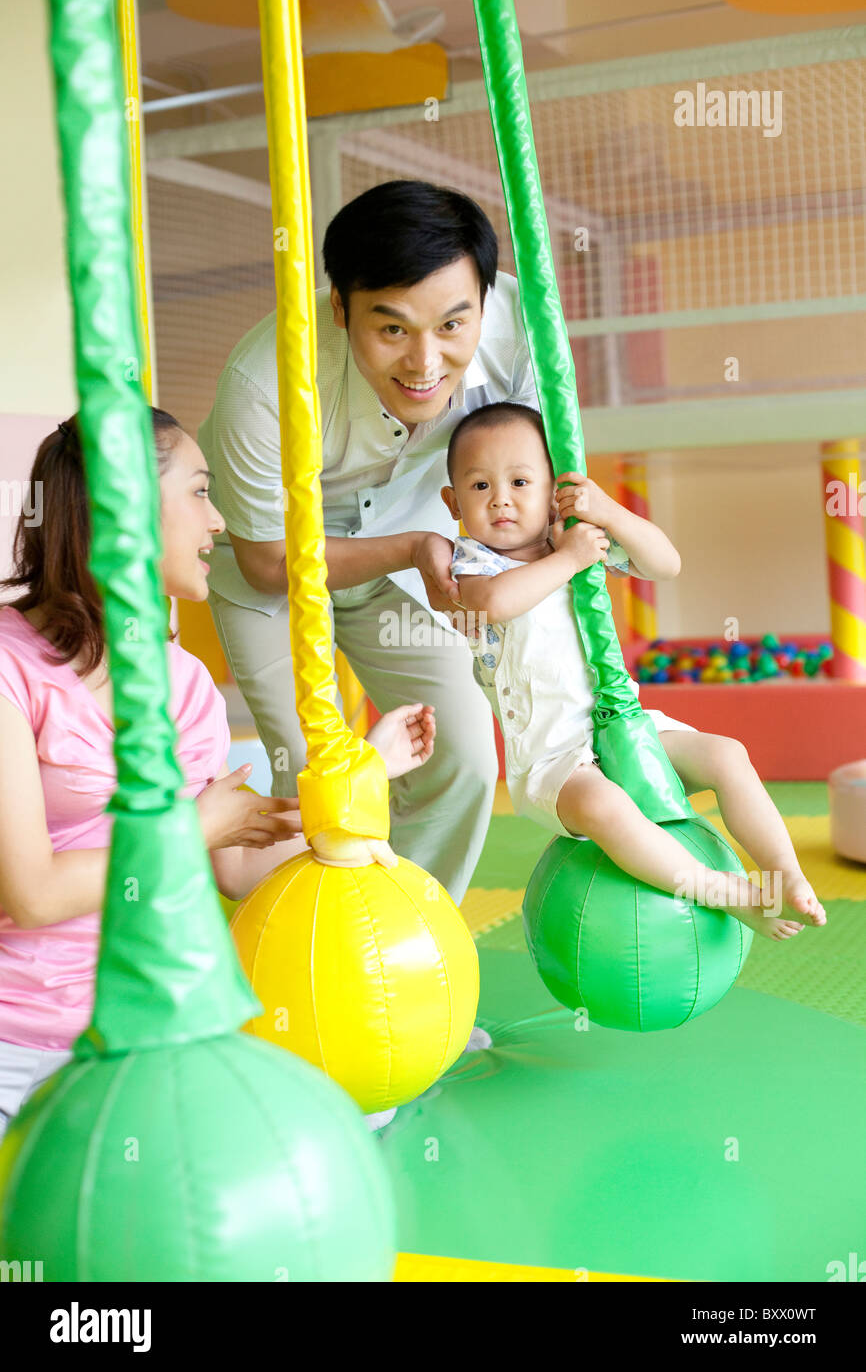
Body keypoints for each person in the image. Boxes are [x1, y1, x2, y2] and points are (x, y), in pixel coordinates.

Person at [0, 410, 436, 1139]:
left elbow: (234, 861)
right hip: (23, 1035)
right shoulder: (11, 669)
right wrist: (200, 824)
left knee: (361, 1107)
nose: (219, 519)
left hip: (157, 1024)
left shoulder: (184, 681)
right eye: (200, 492)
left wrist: (361, 783)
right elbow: (35, 894)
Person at [198, 179, 539, 909]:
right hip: (276, 574)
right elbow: (266, 565)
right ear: (339, 309)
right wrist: (414, 548)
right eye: (392, 330)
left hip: (408, 558)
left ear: (484, 299)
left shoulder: (521, 326)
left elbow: (536, 479)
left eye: (453, 325)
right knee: (310, 775)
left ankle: (410, 956)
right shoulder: (263, 383)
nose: (425, 362)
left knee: (466, 756)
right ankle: (304, 963)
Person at [441, 402, 826, 939]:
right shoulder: (472, 563)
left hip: (626, 725)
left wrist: (606, 514)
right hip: (554, 763)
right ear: (452, 501)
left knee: (726, 755)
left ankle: (783, 873)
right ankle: (717, 889)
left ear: (551, 490)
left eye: (521, 481)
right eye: (479, 487)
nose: (501, 498)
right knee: (605, 805)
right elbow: (498, 603)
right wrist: (572, 559)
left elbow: (665, 564)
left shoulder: (573, 537)